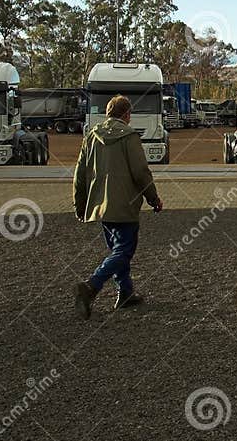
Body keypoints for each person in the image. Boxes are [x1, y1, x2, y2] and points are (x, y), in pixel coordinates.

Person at [73, 95, 163, 319]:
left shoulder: (91, 137)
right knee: (124, 250)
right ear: (127, 114)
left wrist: (80, 204)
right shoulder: (129, 137)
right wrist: (153, 199)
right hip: (125, 203)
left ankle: (125, 292)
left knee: (117, 250)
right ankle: (92, 286)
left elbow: (80, 174)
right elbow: (140, 172)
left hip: (100, 205)